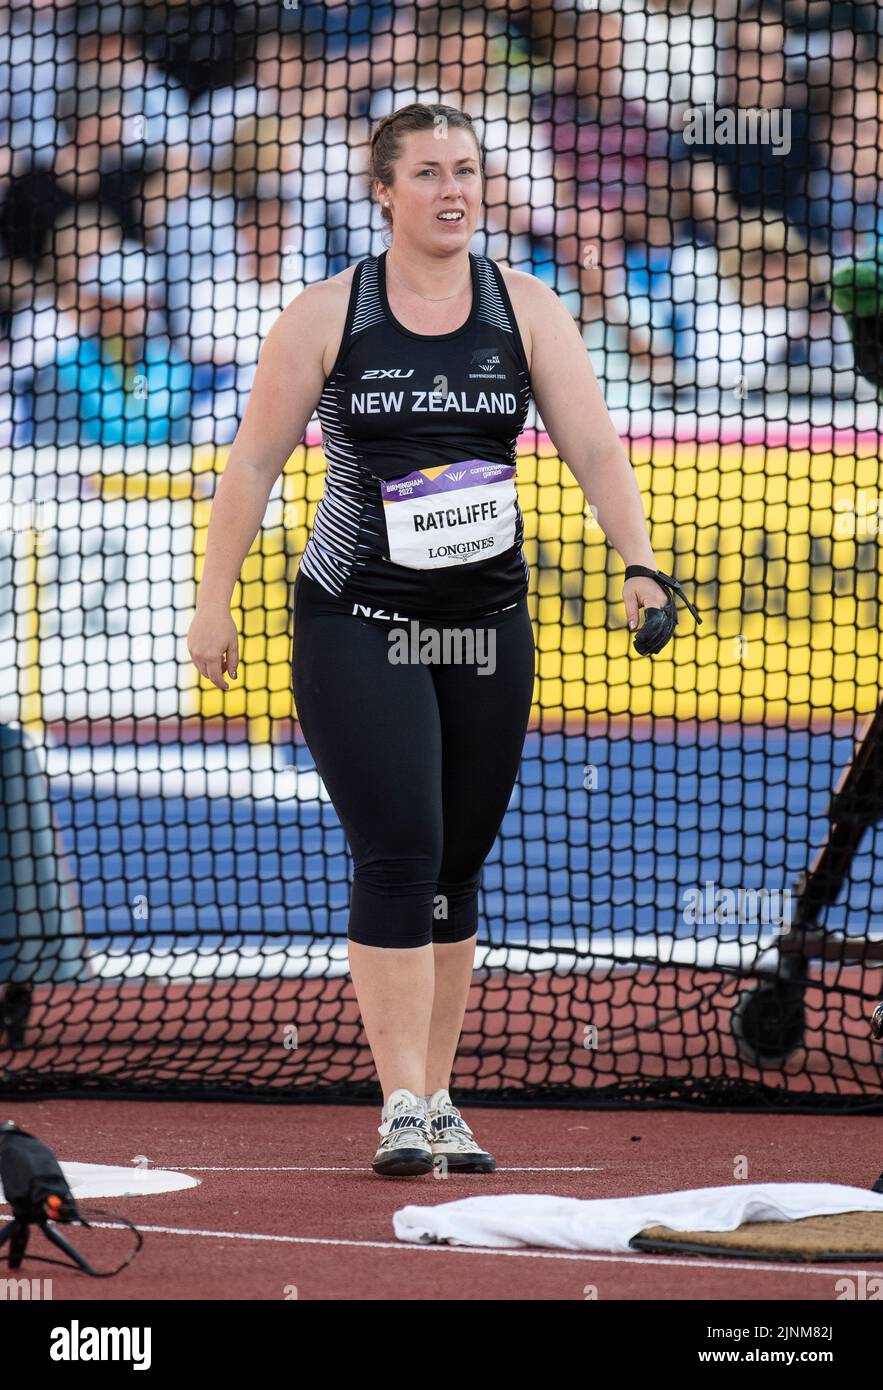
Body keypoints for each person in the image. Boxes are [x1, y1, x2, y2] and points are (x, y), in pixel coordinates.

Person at [187, 102, 676, 1177]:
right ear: (384, 191)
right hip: (358, 620)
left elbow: (593, 443)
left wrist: (638, 561)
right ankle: (399, 1102)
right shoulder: (329, 315)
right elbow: (253, 465)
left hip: (488, 624)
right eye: (429, 173)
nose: (454, 189)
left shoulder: (525, 305)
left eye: (467, 169)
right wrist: (212, 599)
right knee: (401, 848)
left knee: (457, 862)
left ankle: (441, 1095)